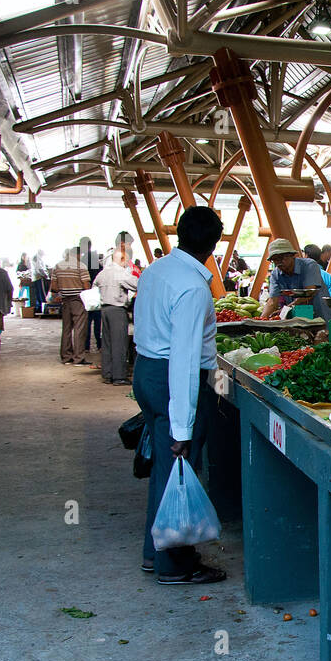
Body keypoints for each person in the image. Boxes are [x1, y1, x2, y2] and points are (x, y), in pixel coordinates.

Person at [132, 206, 226, 585]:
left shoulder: (157, 270)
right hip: (172, 379)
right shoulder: (193, 288)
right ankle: (175, 565)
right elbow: (185, 360)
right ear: (214, 245)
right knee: (179, 467)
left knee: (164, 471)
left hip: (147, 371)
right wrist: (183, 427)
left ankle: (154, 554)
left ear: (179, 234)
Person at [98, 235, 139, 385]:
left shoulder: (103, 272)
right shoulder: (121, 273)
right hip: (117, 310)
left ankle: (108, 374)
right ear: (122, 260)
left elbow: (95, 285)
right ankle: (119, 376)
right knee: (119, 343)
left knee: (107, 343)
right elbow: (137, 285)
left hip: (104, 309)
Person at [264, 240, 331, 320]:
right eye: (275, 260)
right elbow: (272, 301)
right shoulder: (275, 274)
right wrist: (261, 320)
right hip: (298, 320)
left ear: (292, 255)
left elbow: (309, 292)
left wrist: (287, 309)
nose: (279, 263)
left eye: (281, 258)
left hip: (322, 316)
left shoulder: (309, 265)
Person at [50, 246, 91, 364]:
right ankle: (78, 358)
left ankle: (66, 357)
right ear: (78, 255)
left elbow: (54, 286)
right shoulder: (81, 266)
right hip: (78, 300)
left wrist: (63, 290)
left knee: (66, 328)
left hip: (65, 300)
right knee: (79, 329)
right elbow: (86, 286)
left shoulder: (58, 266)